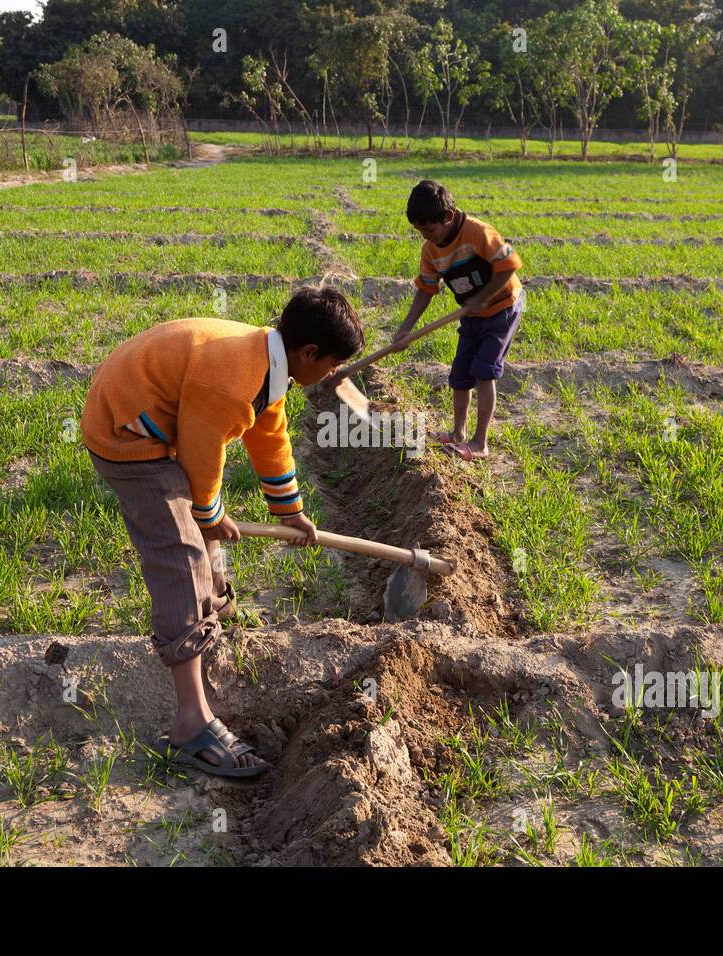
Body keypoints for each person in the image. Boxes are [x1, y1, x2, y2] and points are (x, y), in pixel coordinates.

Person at [81, 286, 364, 776]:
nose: (334, 376)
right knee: (183, 553)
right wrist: (208, 516)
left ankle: (208, 620)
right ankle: (191, 724)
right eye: (333, 364)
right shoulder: (233, 382)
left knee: (202, 533)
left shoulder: (267, 361)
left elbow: (269, 436)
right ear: (308, 353)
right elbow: (199, 454)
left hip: (157, 420)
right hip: (125, 431)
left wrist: (288, 510)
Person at [393, 179, 524, 461]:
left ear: (448, 217)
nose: (425, 236)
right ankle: (457, 435)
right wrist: (405, 329)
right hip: (472, 314)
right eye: (419, 231)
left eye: (428, 229)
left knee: (483, 370)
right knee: (460, 374)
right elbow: (426, 289)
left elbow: (509, 266)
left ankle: (480, 444)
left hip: (502, 309)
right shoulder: (431, 250)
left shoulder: (477, 233)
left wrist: (484, 297)